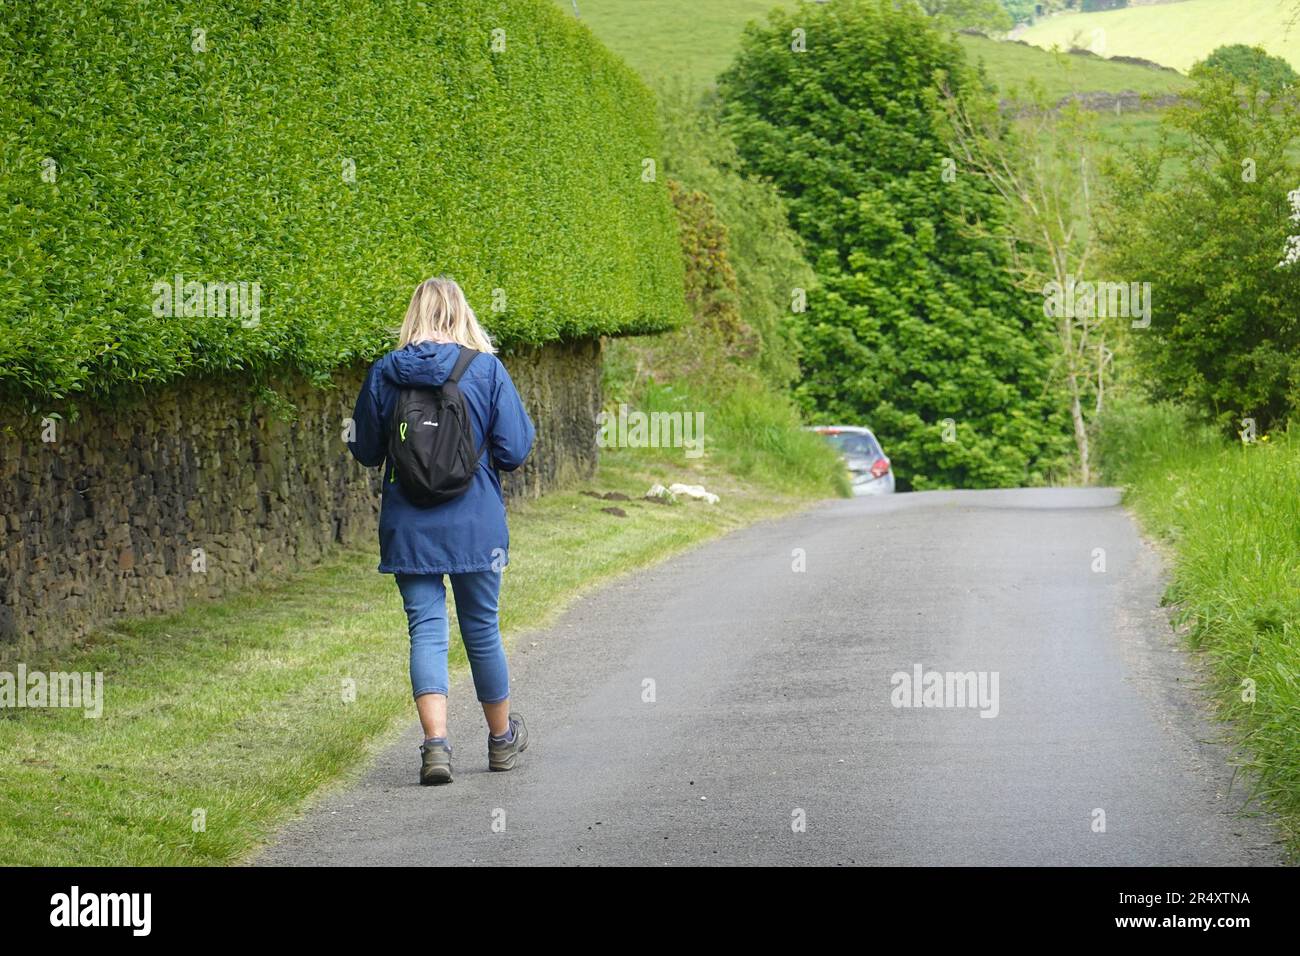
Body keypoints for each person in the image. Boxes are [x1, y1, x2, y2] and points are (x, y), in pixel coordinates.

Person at [347, 276, 536, 785]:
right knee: (482, 630)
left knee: (426, 631)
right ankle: (500, 742)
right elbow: (515, 450)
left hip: (410, 525)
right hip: (475, 522)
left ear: (414, 315)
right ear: (462, 314)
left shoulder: (385, 373)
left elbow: (365, 450)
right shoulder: (487, 370)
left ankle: (436, 747)